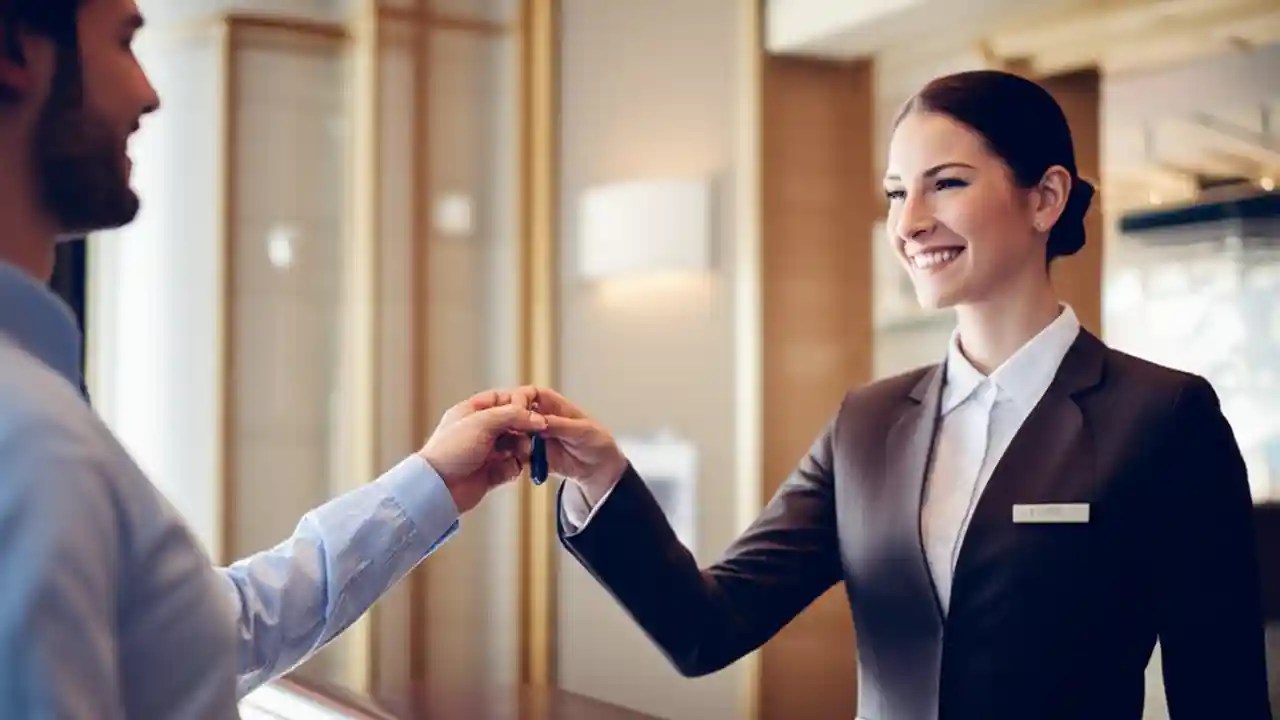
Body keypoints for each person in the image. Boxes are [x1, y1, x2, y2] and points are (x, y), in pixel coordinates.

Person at [528, 70, 1272, 719]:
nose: (909, 222)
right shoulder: (868, 422)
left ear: (1046, 198)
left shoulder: (1162, 417)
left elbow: (1222, 694)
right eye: (894, 193)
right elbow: (706, 629)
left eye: (946, 183)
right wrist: (601, 477)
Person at [0, 0, 544, 716]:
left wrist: (432, 480)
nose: (149, 94)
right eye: (124, 42)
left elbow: (196, 644)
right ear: (17, 52)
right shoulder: (32, 443)